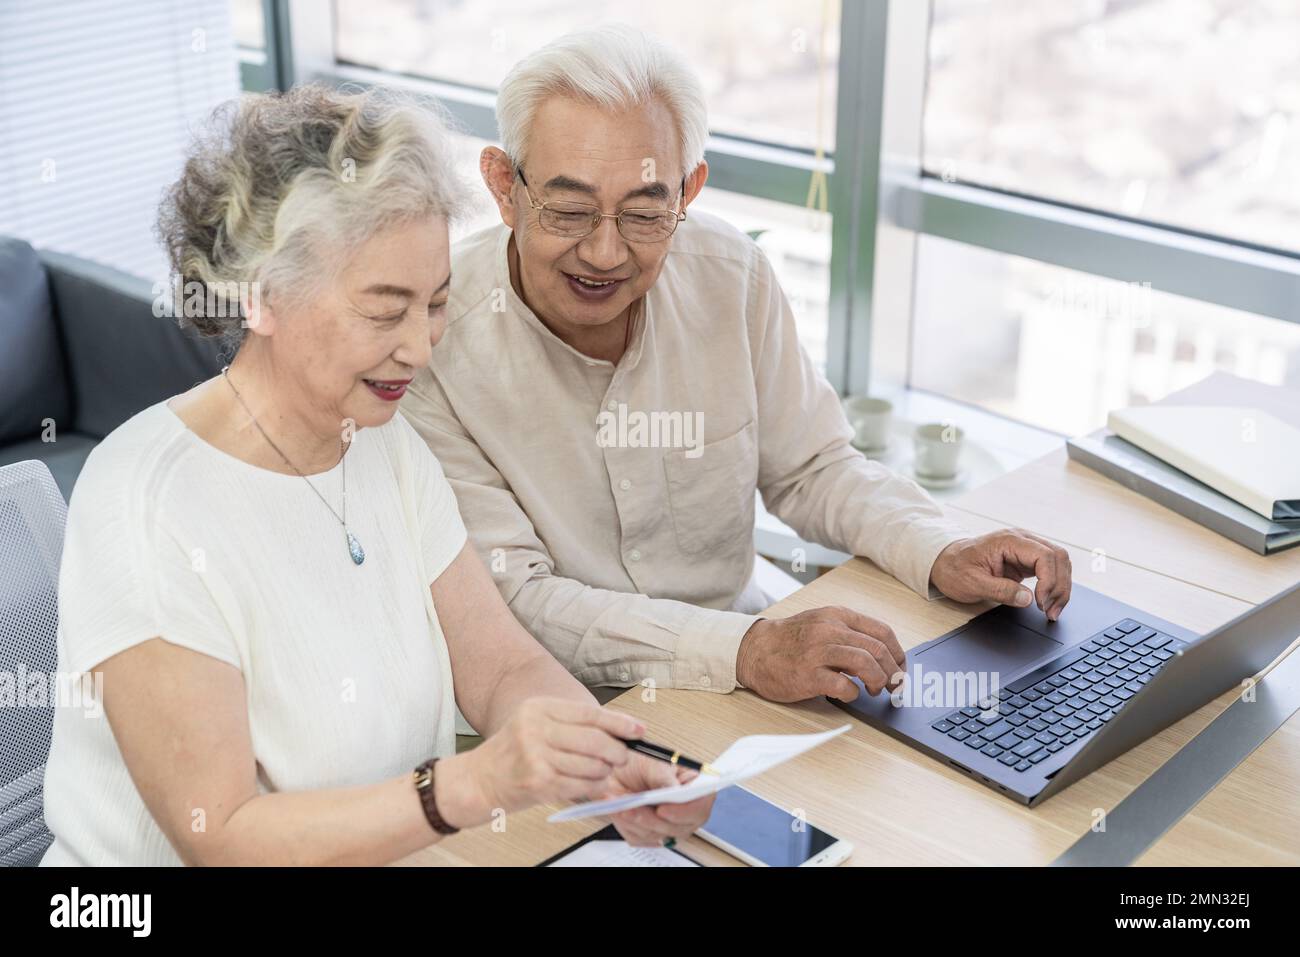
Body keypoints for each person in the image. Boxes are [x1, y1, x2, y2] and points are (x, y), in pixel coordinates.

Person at [39, 84, 712, 866]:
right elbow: (220, 835)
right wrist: (467, 785)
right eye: (384, 310)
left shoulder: (383, 443)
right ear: (261, 296)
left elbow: (500, 665)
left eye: (435, 303)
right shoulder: (147, 504)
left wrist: (599, 754)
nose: (421, 348)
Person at [401, 25, 1073, 705]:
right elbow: (518, 598)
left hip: (746, 673)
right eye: (570, 210)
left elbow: (812, 470)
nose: (605, 253)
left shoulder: (731, 276)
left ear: (688, 192)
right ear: (502, 187)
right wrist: (745, 649)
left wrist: (939, 546)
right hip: (559, 700)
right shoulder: (432, 338)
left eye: (643, 212)